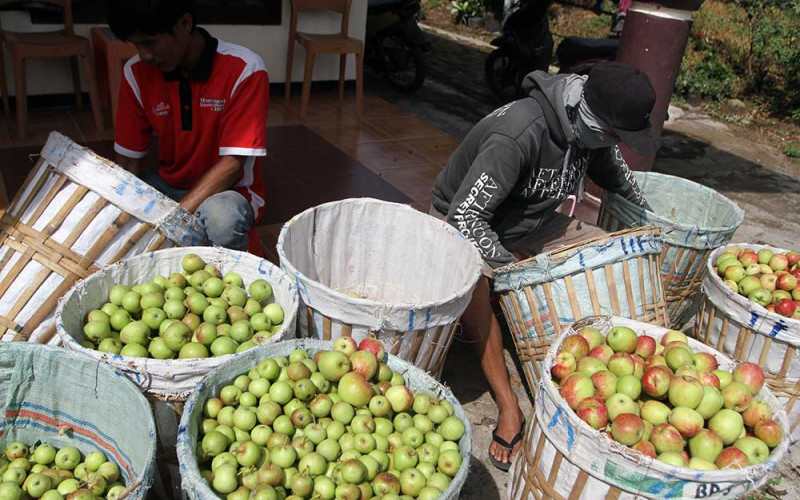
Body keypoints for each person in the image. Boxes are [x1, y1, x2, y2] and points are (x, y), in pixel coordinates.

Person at [431, 62, 658, 470]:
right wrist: (512, 271)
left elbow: (618, 177)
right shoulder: (518, 134)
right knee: (477, 287)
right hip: (467, 222)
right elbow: (465, 217)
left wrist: (650, 213)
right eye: (615, 137)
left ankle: (589, 365)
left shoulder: (592, 133)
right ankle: (508, 404)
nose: (614, 145)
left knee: (608, 253)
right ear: (592, 119)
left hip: (532, 223)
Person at [107, 0, 269, 250]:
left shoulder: (244, 69)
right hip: (167, 186)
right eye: (137, 44)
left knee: (223, 220)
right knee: (119, 208)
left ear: (184, 23)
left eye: (150, 42)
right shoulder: (136, 72)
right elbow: (128, 164)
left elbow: (232, 166)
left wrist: (173, 220)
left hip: (226, 192)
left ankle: (229, 271)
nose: (145, 55)